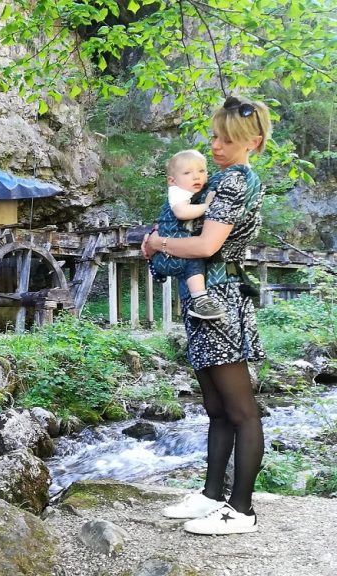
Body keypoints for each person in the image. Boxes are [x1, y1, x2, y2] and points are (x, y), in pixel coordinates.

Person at [142, 95, 272, 535]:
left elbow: (205, 246)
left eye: (226, 139)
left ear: (251, 142)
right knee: (216, 406)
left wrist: (157, 243)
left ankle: (241, 510)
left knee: (241, 409)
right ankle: (211, 494)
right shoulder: (222, 179)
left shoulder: (235, 182)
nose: (215, 146)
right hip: (208, 300)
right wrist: (160, 237)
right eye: (214, 136)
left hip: (220, 302)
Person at [150, 149, 223, 320]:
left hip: (167, 253)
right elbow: (182, 212)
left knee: (193, 258)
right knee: (194, 258)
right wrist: (207, 206)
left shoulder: (188, 191)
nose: (196, 177)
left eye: (202, 171)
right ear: (172, 181)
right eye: (187, 173)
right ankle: (201, 301)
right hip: (172, 255)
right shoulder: (177, 192)